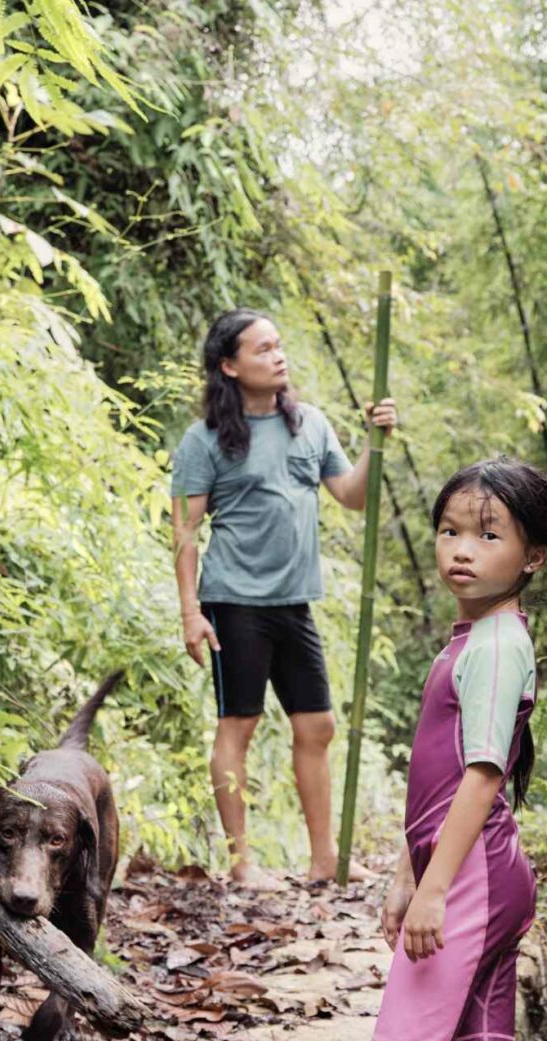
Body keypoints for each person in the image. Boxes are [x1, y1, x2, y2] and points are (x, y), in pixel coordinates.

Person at [309, 457, 547, 1041]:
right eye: (453, 530)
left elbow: (484, 773)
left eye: (490, 535)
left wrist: (435, 891)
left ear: (533, 558)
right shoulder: (478, 639)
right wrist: (409, 869)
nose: (463, 548)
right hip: (487, 873)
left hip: (476, 880)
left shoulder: (496, 644)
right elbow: (442, 776)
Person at [170, 307, 397, 889]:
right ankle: (242, 864)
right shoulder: (205, 440)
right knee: (237, 726)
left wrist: (376, 443)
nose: (278, 355)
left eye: (279, 345)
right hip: (233, 603)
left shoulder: (310, 424)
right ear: (229, 365)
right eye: (262, 348)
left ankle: (325, 859)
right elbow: (185, 532)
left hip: (294, 602)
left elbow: (351, 496)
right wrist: (191, 612)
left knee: (317, 725)